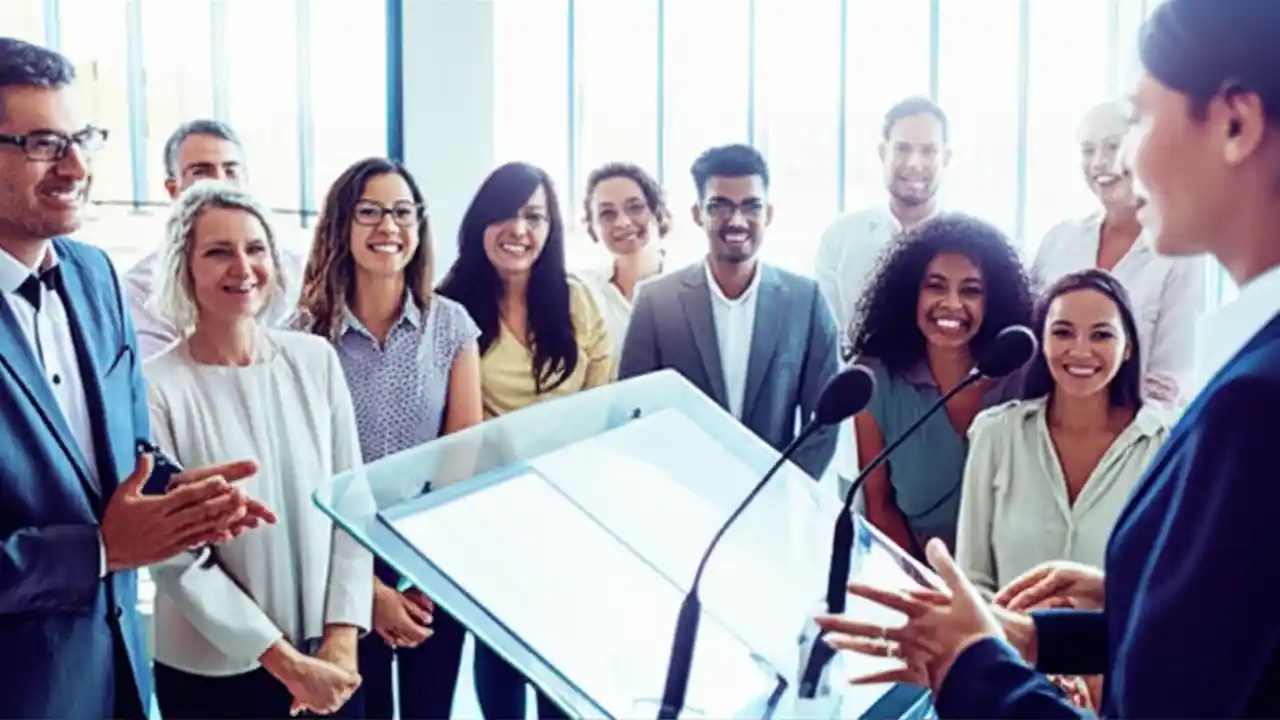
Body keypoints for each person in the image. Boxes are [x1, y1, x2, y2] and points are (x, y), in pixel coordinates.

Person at [817, 1, 1280, 715]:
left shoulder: (1256, 405)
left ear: (1235, 125)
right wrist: (1043, 633)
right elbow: (1228, 641)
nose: (1119, 162)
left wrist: (973, 662)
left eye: (1139, 119)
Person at [0, 38, 271, 719]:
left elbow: (128, 454)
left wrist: (181, 497)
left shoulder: (94, 274)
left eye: (81, 137)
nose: (76, 167)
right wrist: (97, 550)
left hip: (116, 677)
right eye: (40, 143)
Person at [145, 182, 372, 718]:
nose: (242, 267)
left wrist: (342, 634)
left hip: (327, 657)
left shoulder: (314, 359)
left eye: (255, 248)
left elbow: (352, 502)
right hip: (213, 670)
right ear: (185, 266)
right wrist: (286, 662)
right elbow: (177, 556)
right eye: (218, 251)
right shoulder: (154, 386)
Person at [295, 157, 483, 719]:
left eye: (402, 212)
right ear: (341, 225)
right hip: (338, 570)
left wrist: (418, 578)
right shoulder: (304, 335)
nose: (388, 227)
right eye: (369, 212)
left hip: (430, 564)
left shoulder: (450, 324)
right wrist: (369, 593)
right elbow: (306, 473)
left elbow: (461, 456)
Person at [438, 161, 611, 719]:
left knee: (566, 660)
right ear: (480, 225)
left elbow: (602, 406)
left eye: (534, 216)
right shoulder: (450, 307)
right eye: (505, 216)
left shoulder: (577, 300)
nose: (519, 230)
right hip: (491, 513)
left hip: (571, 509)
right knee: (502, 658)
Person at [955, 269, 1172, 708]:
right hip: (1009, 688)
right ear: (1043, 341)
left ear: (1128, 348)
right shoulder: (997, 435)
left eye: (1101, 335)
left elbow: (1166, 594)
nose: (1080, 350)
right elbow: (973, 578)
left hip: (1119, 693)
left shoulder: (1165, 445)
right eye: (1063, 332)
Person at [619, 143, 840, 480]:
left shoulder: (805, 301)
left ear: (768, 214)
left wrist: (780, 490)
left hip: (773, 499)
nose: (737, 220)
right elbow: (634, 412)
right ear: (698, 214)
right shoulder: (656, 301)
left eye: (751, 206)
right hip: (682, 496)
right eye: (719, 206)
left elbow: (824, 422)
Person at [847, 213, 1033, 557]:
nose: (951, 304)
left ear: (992, 302)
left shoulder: (1021, 375)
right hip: (915, 579)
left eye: (971, 291)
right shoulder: (877, 376)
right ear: (910, 294)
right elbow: (880, 506)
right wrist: (930, 589)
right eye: (935, 286)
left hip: (1009, 584)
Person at [1034, 100, 1205, 403]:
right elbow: (1032, 347)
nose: (1099, 162)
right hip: (1050, 423)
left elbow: (1172, 378)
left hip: (1134, 433)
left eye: (1113, 147)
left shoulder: (1178, 254)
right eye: (1088, 150)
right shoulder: (1058, 240)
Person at [123, 119, 305, 360]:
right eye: (202, 171)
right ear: (172, 188)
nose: (220, 182)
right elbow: (159, 370)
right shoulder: (141, 286)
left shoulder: (292, 267)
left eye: (231, 170)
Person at [815, 96, 951, 339]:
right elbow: (826, 339)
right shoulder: (841, 238)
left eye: (928, 151)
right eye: (902, 148)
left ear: (946, 158)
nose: (914, 164)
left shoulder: (969, 243)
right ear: (882, 152)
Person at [577, 161, 671, 353]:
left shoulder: (688, 283)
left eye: (635, 207)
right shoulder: (584, 292)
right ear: (592, 225)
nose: (623, 222)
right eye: (607, 213)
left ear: (655, 212)